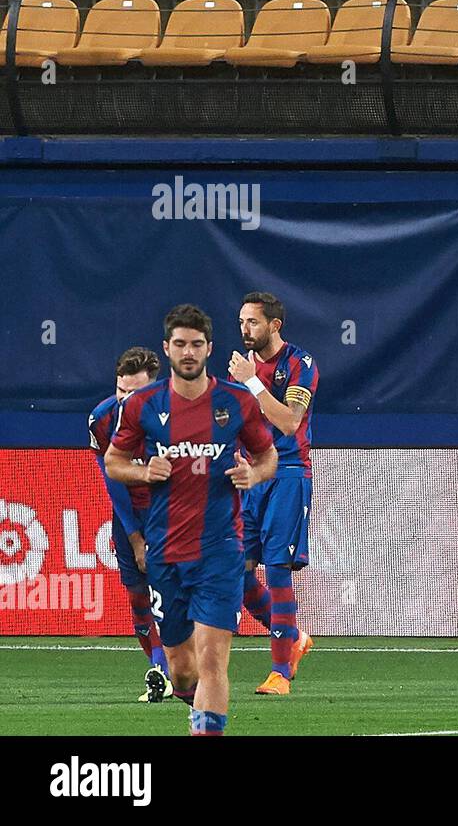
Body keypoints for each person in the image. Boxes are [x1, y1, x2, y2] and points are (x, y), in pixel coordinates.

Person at [105, 304, 277, 735]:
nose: (188, 352)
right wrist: (144, 472)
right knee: (183, 670)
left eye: (196, 345)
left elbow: (268, 455)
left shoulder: (236, 402)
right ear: (167, 348)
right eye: (180, 344)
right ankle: (194, 706)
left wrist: (253, 474)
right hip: (166, 553)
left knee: (213, 659)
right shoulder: (144, 405)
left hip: (221, 550)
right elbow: (113, 461)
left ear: (209, 349)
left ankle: (207, 725)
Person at [227, 292, 318, 695]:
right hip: (250, 477)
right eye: (242, 321)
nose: (244, 329)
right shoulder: (239, 371)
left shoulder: (300, 364)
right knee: (239, 573)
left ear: (274, 325)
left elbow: (288, 422)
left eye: (252, 322)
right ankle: (295, 637)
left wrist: (250, 380)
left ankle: (280, 673)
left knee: (277, 569)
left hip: (288, 473)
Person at [89, 346, 170, 702]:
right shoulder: (101, 419)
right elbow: (112, 480)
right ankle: (160, 671)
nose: (124, 401)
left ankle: (178, 669)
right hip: (129, 516)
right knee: (137, 594)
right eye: (120, 391)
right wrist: (136, 537)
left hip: (170, 513)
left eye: (134, 394)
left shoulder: (174, 418)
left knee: (170, 596)